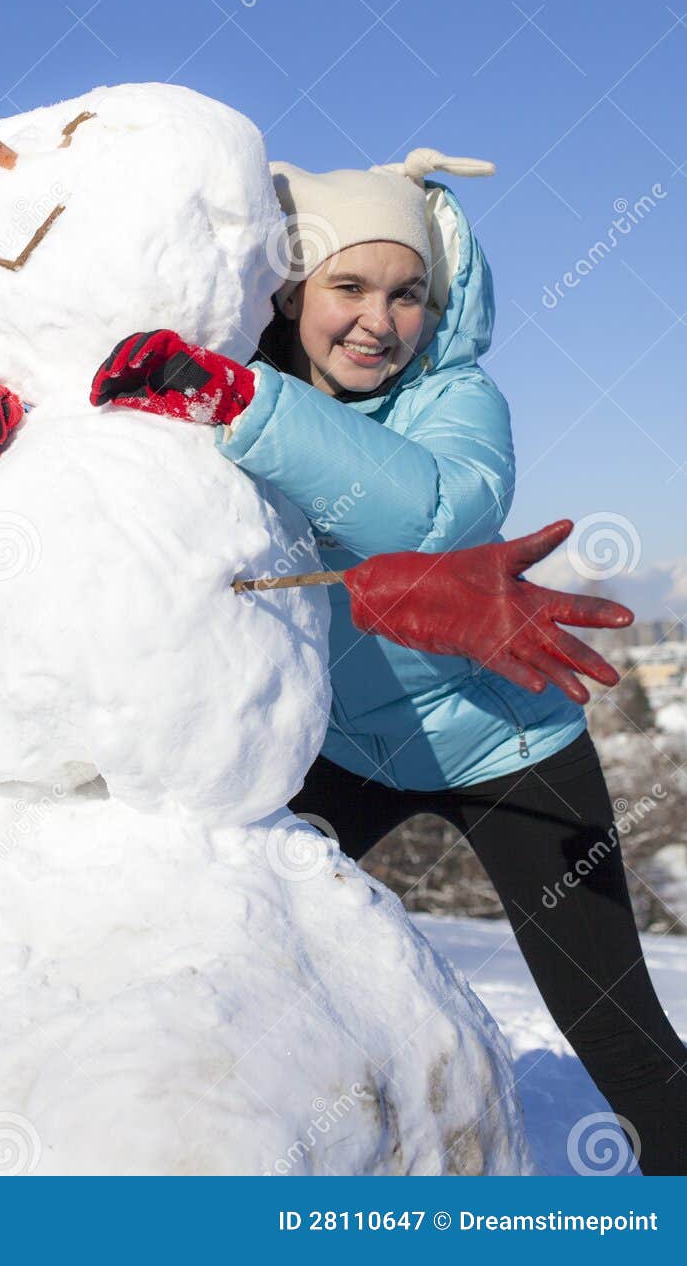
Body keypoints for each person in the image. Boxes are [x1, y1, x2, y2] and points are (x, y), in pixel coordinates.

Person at [85, 146, 687, 1177]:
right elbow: (115, 483)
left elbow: (430, 511)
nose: (380, 318)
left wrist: (243, 405)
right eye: (348, 286)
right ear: (290, 290)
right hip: (339, 752)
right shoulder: (236, 397)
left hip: (506, 751)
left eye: (408, 292)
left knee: (618, 1038)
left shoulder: (455, 398)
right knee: (217, 951)